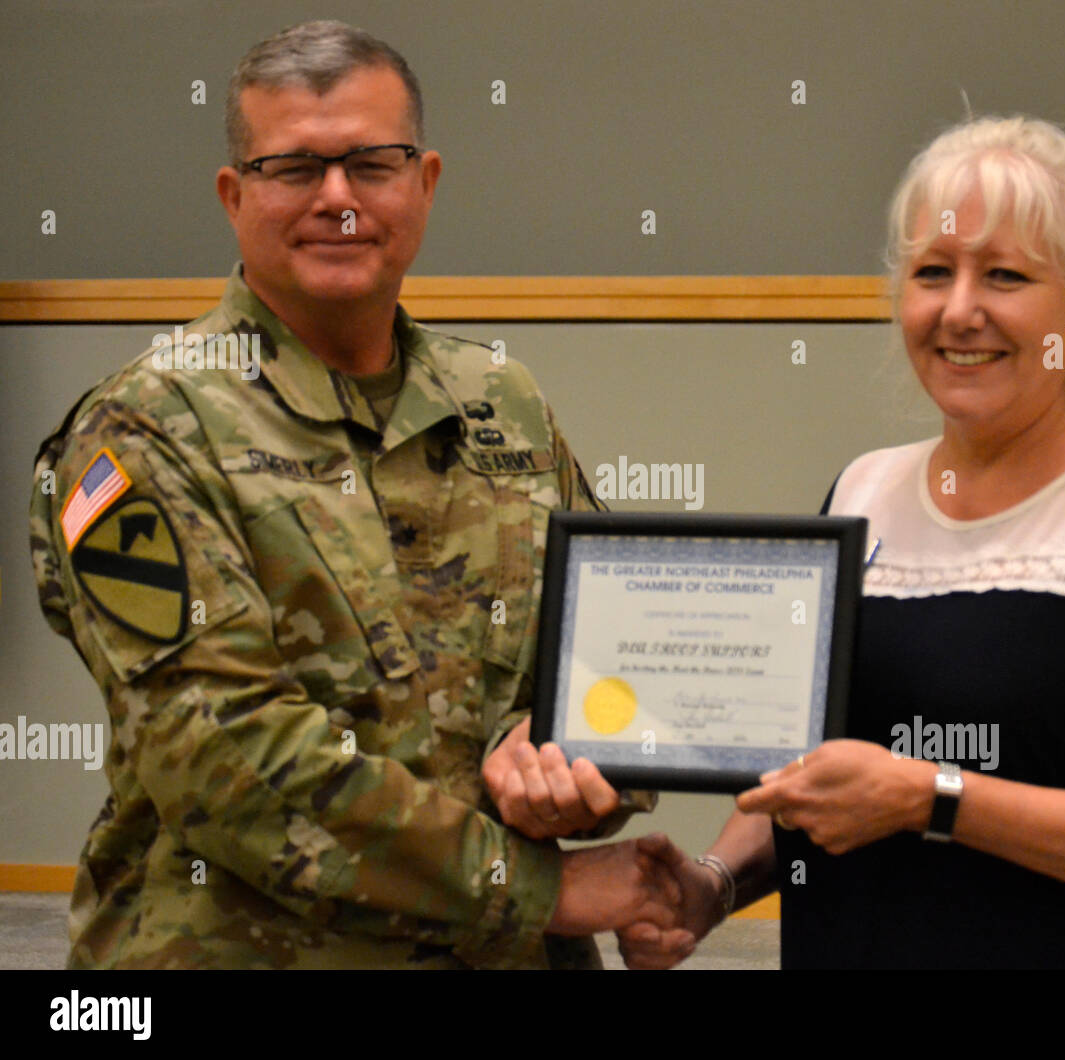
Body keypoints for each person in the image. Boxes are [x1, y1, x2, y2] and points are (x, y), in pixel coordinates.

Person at [27, 20, 687, 969]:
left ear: (425, 183)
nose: (337, 198)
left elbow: (616, 644)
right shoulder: (140, 433)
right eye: (294, 167)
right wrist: (541, 889)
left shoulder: (503, 401)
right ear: (233, 196)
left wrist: (570, 754)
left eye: (371, 163)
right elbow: (223, 759)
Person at [617, 115, 1065, 969]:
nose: (961, 311)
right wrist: (711, 884)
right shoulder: (862, 495)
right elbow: (805, 772)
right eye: (932, 273)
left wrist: (934, 797)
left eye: (1004, 275)